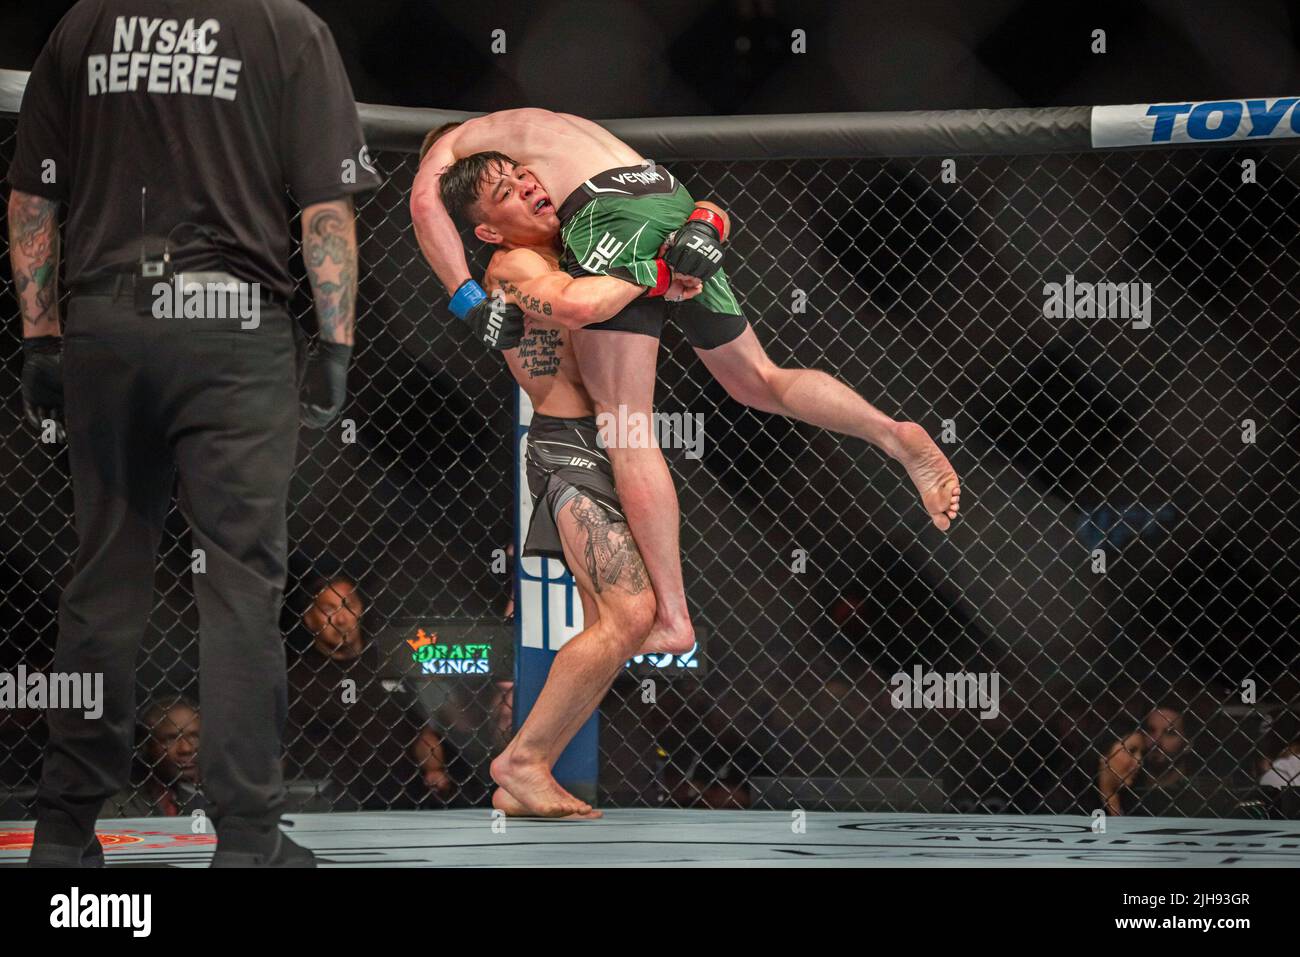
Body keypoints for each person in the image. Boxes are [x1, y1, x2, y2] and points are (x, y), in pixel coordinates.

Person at [9, 0, 378, 867]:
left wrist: (39, 336)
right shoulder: (283, 26)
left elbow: (33, 198)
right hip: (230, 325)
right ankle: (247, 839)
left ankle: (63, 831)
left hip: (110, 321)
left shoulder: (84, 23)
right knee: (241, 587)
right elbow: (325, 205)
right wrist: (336, 341)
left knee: (104, 578)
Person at [411, 116, 961, 658]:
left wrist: (466, 301)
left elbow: (424, 207)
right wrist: (705, 225)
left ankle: (674, 616)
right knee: (756, 380)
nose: (524, 182)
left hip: (610, 215)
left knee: (625, 425)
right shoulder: (542, 131)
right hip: (669, 196)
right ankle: (893, 434)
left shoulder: (458, 148)